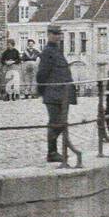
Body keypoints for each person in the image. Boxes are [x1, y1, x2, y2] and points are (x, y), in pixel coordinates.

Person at [36, 24, 77, 162]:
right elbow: (41, 74)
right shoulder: (47, 52)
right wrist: (43, 91)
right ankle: (52, 152)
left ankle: (54, 151)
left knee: (61, 122)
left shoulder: (58, 51)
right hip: (53, 94)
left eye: (59, 34)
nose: (57, 36)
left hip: (62, 93)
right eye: (55, 34)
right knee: (55, 122)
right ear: (48, 35)